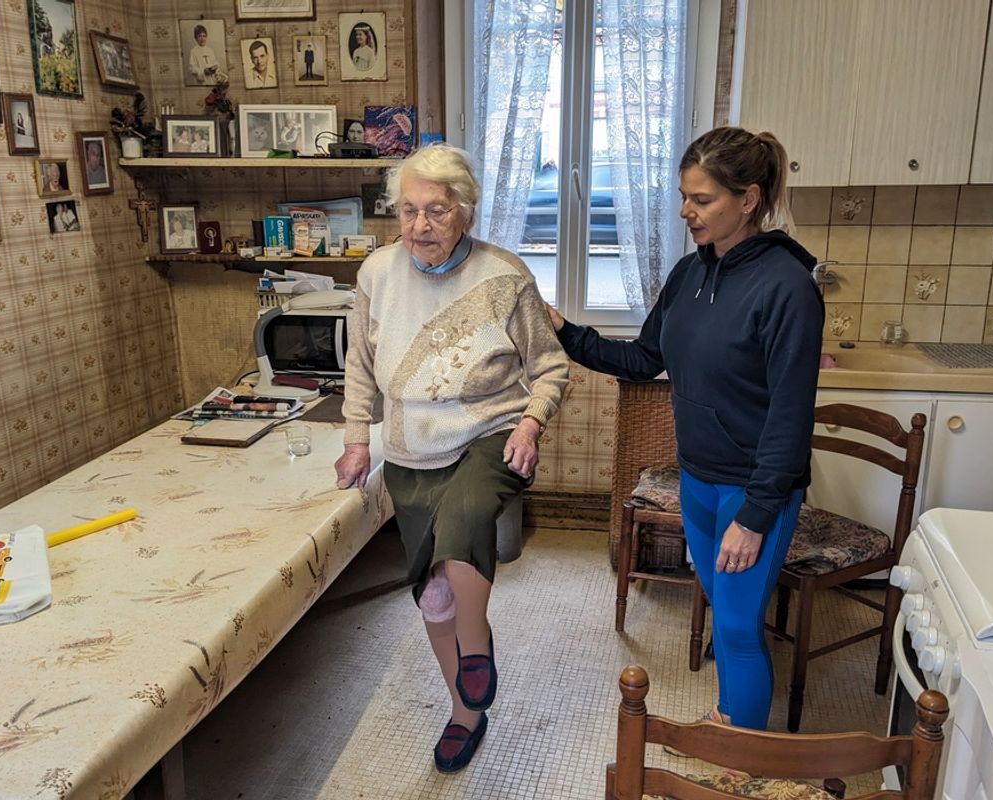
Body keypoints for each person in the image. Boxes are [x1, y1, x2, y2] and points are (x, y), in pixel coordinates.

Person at [547, 126, 823, 733]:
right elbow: (645, 359)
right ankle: (732, 720)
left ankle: (736, 751)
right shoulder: (688, 274)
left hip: (753, 492)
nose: (685, 210)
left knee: (736, 626)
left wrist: (754, 516)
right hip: (697, 480)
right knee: (724, 609)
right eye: (683, 195)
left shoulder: (787, 287)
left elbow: (790, 415)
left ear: (748, 199)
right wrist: (565, 330)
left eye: (701, 199)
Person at [335, 144, 568, 773]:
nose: (419, 226)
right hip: (411, 446)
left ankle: (474, 648)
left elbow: (549, 367)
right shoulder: (376, 274)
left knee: (465, 527)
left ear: (464, 211)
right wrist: (359, 438)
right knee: (432, 592)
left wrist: (529, 423)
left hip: (489, 433)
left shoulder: (504, 276)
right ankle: (466, 711)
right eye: (408, 211)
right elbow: (359, 364)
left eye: (435, 211)